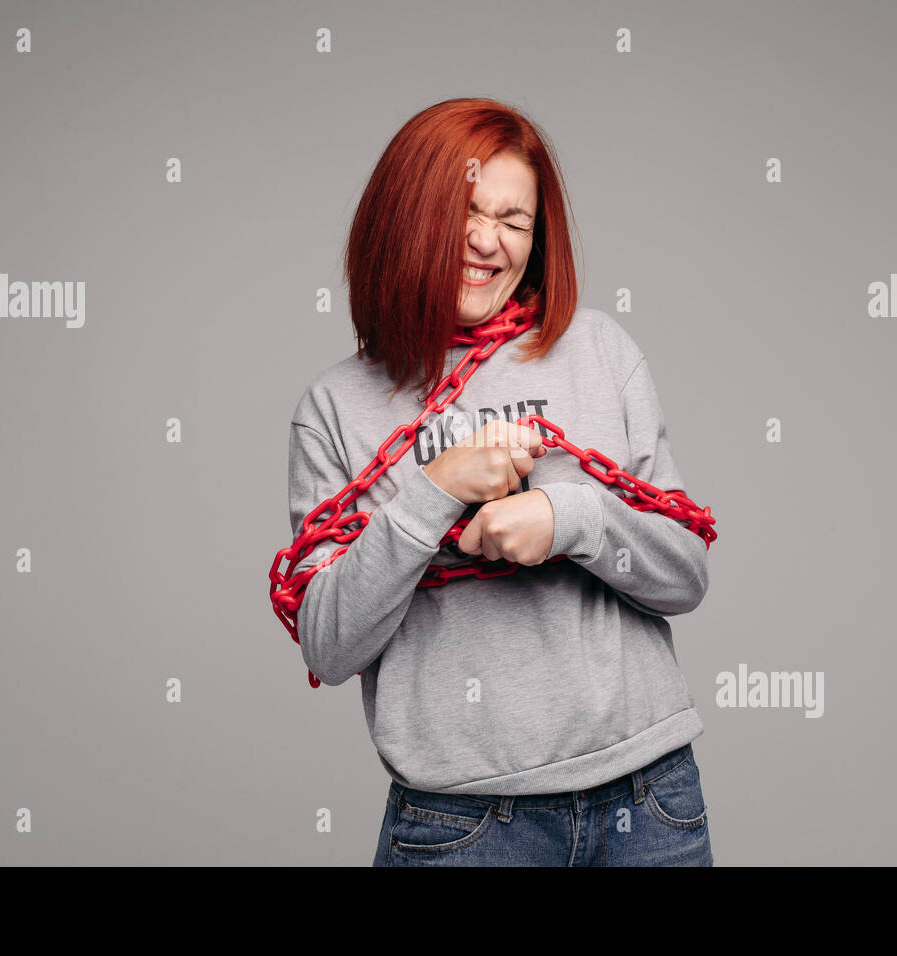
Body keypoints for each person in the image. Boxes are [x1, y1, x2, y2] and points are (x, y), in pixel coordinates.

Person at [285, 98, 714, 866]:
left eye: (515, 221)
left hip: (649, 801)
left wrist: (570, 517)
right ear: (405, 217)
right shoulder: (334, 409)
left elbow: (684, 578)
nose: (486, 242)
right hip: (465, 826)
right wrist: (433, 487)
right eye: (463, 213)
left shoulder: (600, 352)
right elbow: (329, 647)